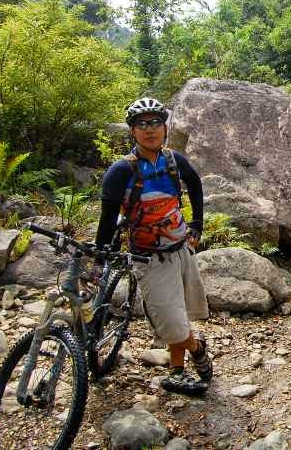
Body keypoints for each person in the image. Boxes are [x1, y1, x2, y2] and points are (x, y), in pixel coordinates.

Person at [95, 97, 212, 396]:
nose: (150, 130)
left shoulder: (174, 161)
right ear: (132, 131)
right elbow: (107, 220)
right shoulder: (121, 171)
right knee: (171, 319)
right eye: (142, 124)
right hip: (148, 257)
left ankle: (176, 371)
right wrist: (99, 257)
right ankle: (197, 348)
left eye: (156, 123)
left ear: (165, 127)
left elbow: (195, 184)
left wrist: (197, 224)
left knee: (180, 311)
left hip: (180, 248)